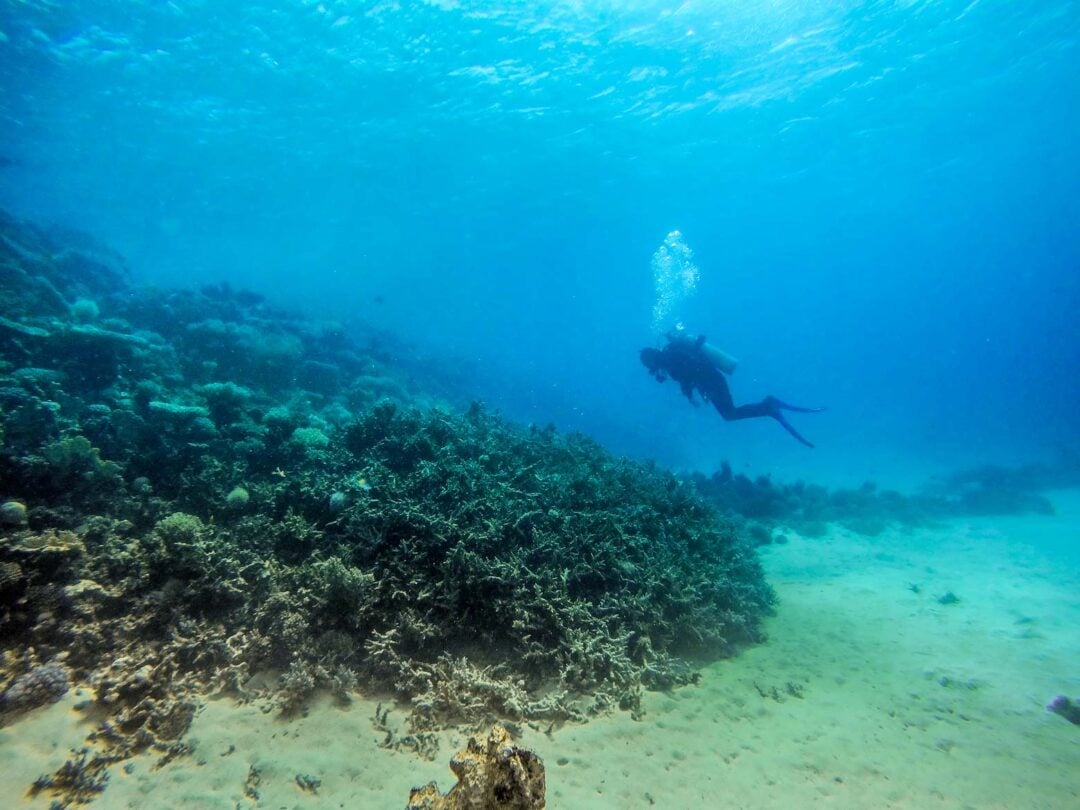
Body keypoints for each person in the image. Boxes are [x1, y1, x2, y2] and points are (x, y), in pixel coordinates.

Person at [639, 331, 824, 448]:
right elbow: (688, 374)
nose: (652, 370)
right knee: (730, 414)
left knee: (729, 414)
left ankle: (769, 406)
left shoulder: (671, 357)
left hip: (713, 382)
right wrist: (693, 393)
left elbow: (688, 373)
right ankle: (769, 407)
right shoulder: (672, 356)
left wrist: (691, 394)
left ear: (653, 359)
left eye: (650, 365)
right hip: (711, 382)